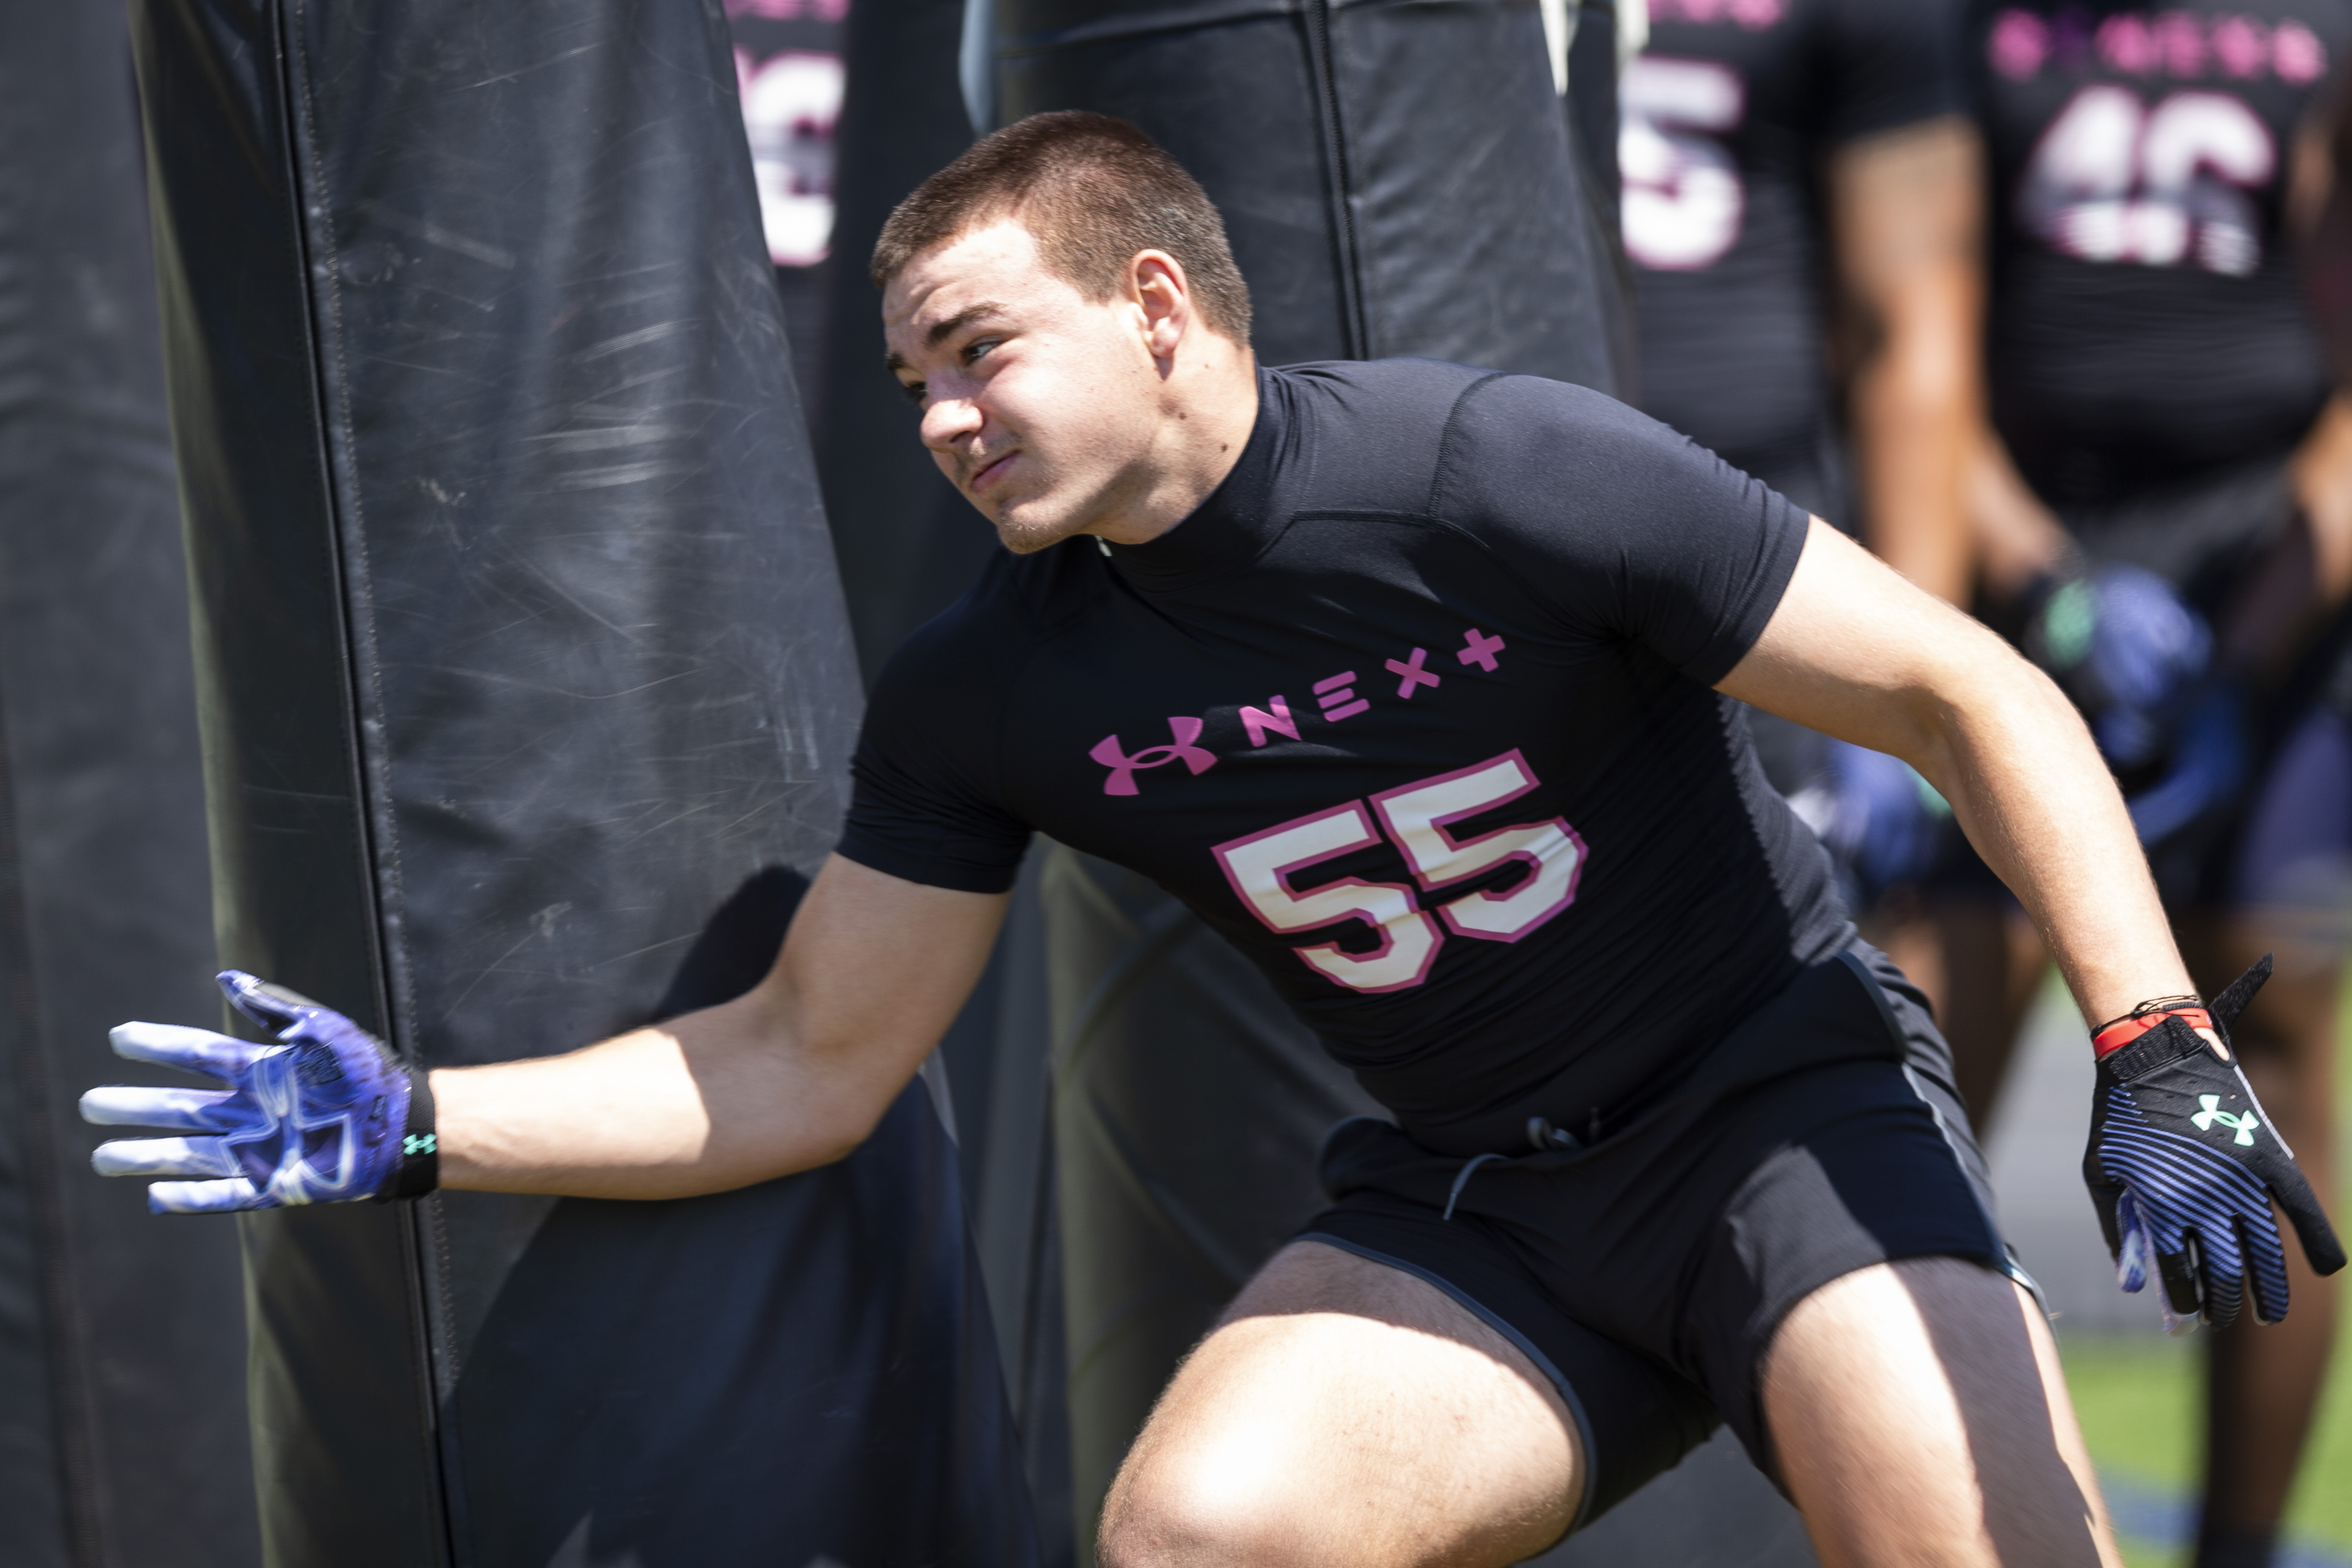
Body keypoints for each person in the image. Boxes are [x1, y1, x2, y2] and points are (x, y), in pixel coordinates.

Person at [80, 113, 2341, 1566]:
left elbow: (1970, 689)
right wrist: (422, 1123)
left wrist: (2153, 1036)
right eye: (912, 381)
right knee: (1200, 1527)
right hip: (1487, 1202)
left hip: (1778, 1116)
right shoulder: (990, 685)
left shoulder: (1491, 470)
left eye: (977, 350)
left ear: (1154, 304)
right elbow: (806, 1053)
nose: (942, 417)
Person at [1948, 7, 2352, 1564]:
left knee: (2277, 1057)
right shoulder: (1966, 29)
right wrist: (2042, 591)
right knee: (1925, 1045)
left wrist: (2243, 655)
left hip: (2280, 578)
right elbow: (1905, 324)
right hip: (2019, 572)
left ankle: (2239, 1546)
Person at [1621, 0, 1997, 998]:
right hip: (1499, 518)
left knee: (1818, 980)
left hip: (1756, 539)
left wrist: (1908, 682)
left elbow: (1909, 325)